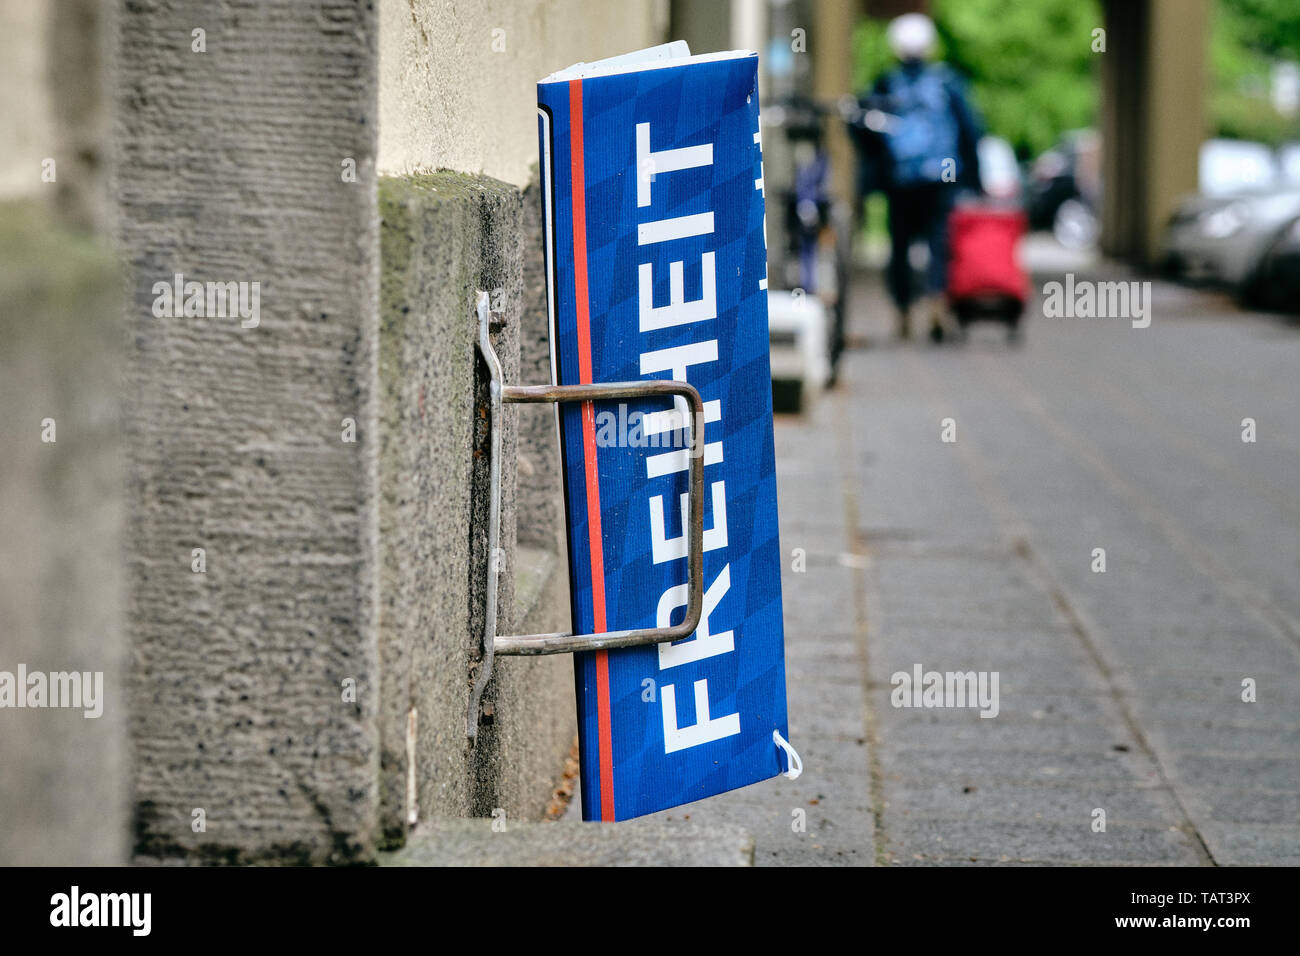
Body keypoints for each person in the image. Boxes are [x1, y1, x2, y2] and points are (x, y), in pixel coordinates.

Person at [853, 13, 983, 341]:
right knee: (940, 242)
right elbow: (971, 130)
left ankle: (903, 310)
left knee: (900, 245)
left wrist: (872, 174)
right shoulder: (948, 82)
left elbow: (864, 127)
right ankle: (937, 299)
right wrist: (975, 178)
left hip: (901, 179)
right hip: (942, 176)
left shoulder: (886, 83)